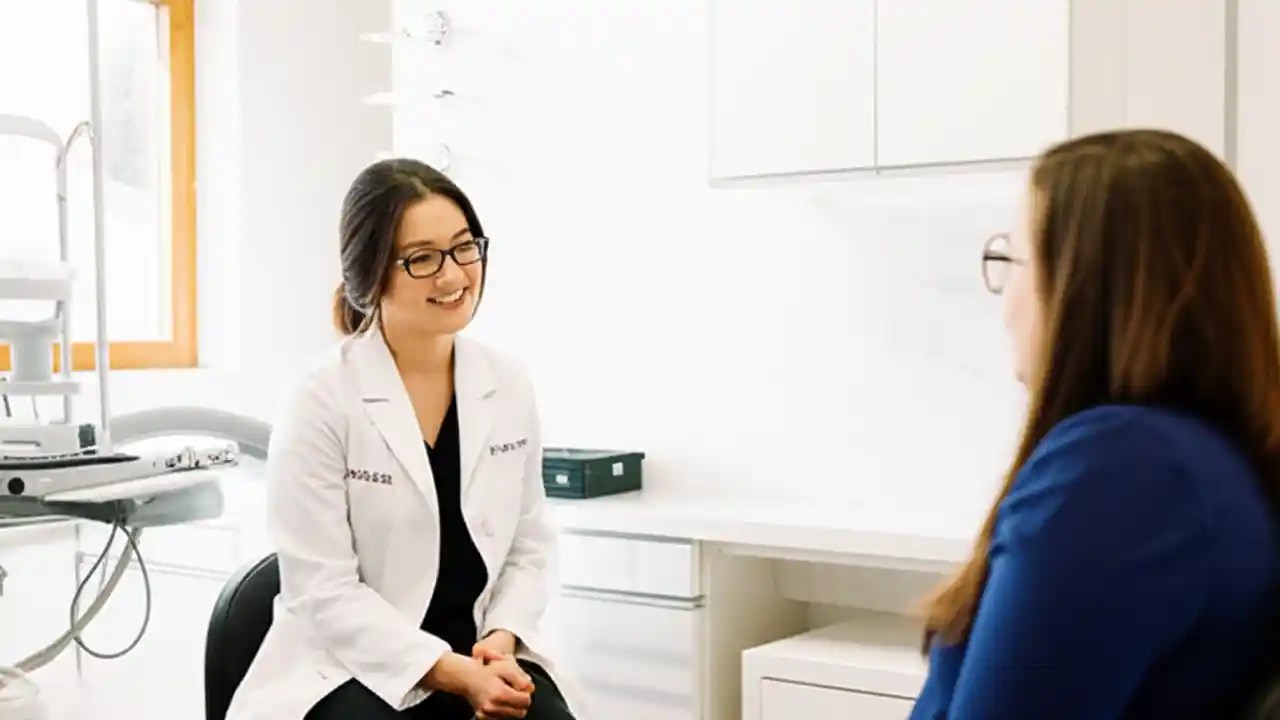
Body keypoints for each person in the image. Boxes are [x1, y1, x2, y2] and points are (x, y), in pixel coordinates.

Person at [910, 129, 1280, 719]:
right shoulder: (1210, 462)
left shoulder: (1119, 468)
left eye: (1012, 260)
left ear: (1080, 285)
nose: (1005, 304)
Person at [226, 159, 582, 720]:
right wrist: (451, 672)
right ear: (371, 274)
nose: (453, 275)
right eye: (422, 259)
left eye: (465, 247)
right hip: (350, 663)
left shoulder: (507, 384)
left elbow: (528, 544)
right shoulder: (322, 397)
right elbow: (322, 590)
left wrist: (502, 637)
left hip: (482, 650)